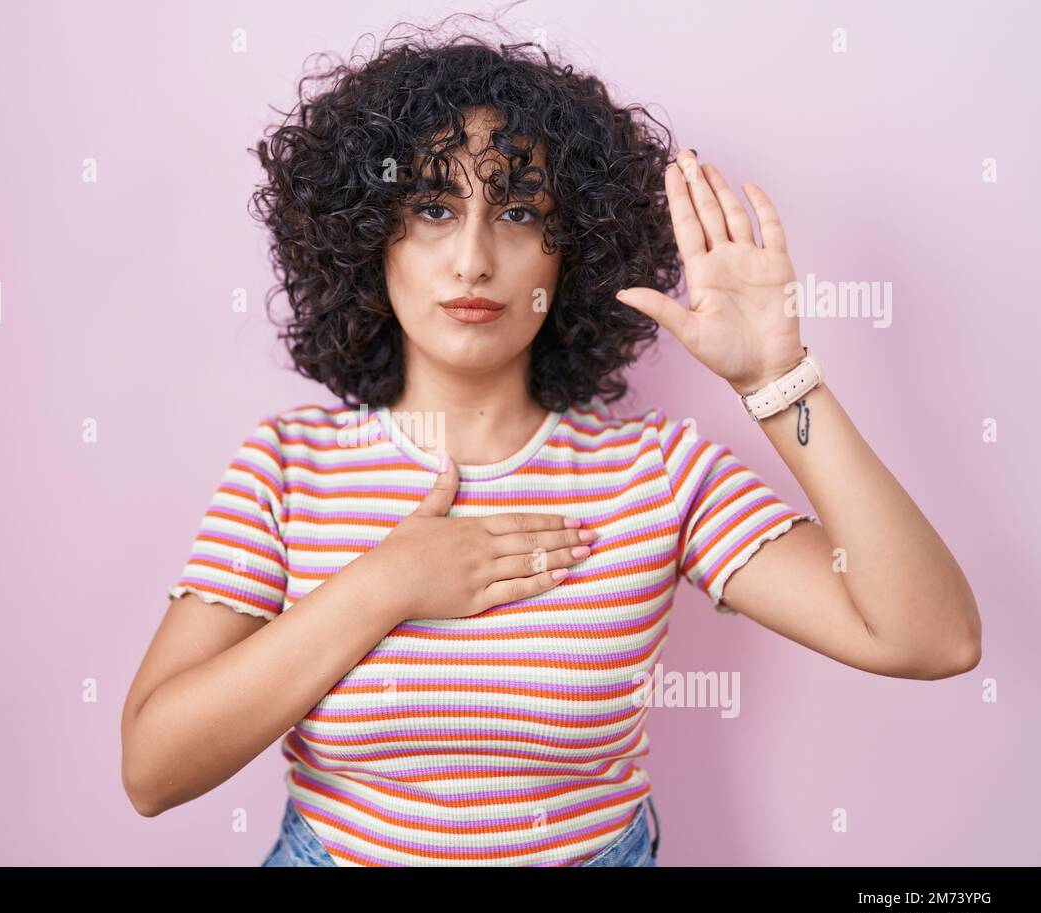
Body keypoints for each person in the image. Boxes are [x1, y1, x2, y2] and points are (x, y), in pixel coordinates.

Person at [120, 18, 981, 867]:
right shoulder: (285, 468)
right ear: (366, 236)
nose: (471, 260)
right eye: (432, 206)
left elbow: (929, 639)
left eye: (520, 211)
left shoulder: (658, 473)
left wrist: (777, 379)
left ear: (574, 252)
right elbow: (153, 771)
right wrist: (385, 583)